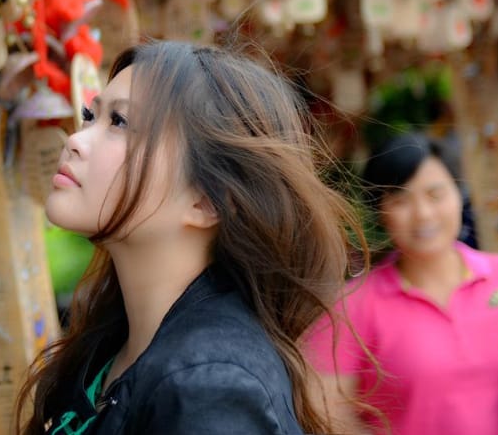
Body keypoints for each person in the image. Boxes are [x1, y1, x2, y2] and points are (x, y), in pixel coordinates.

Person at [18, 42, 359, 434]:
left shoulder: (211, 387)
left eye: (120, 123)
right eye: (90, 116)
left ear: (207, 201)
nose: (75, 140)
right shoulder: (113, 346)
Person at [311, 132, 498, 435]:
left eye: (435, 194)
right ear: (379, 211)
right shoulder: (352, 306)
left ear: (460, 195)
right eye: (401, 199)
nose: (423, 214)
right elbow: (324, 411)